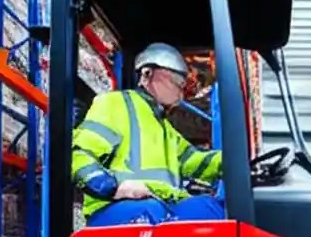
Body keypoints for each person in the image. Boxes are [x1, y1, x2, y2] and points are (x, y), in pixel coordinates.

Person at [71, 43, 225, 227]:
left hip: (160, 206)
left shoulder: (165, 129)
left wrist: (232, 160)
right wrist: (113, 188)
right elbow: (79, 155)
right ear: (147, 74)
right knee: (156, 214)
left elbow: (195, 160)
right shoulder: (116, 105)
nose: (181, 95)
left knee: (210, 210)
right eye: (178, 83)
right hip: (116, 210)